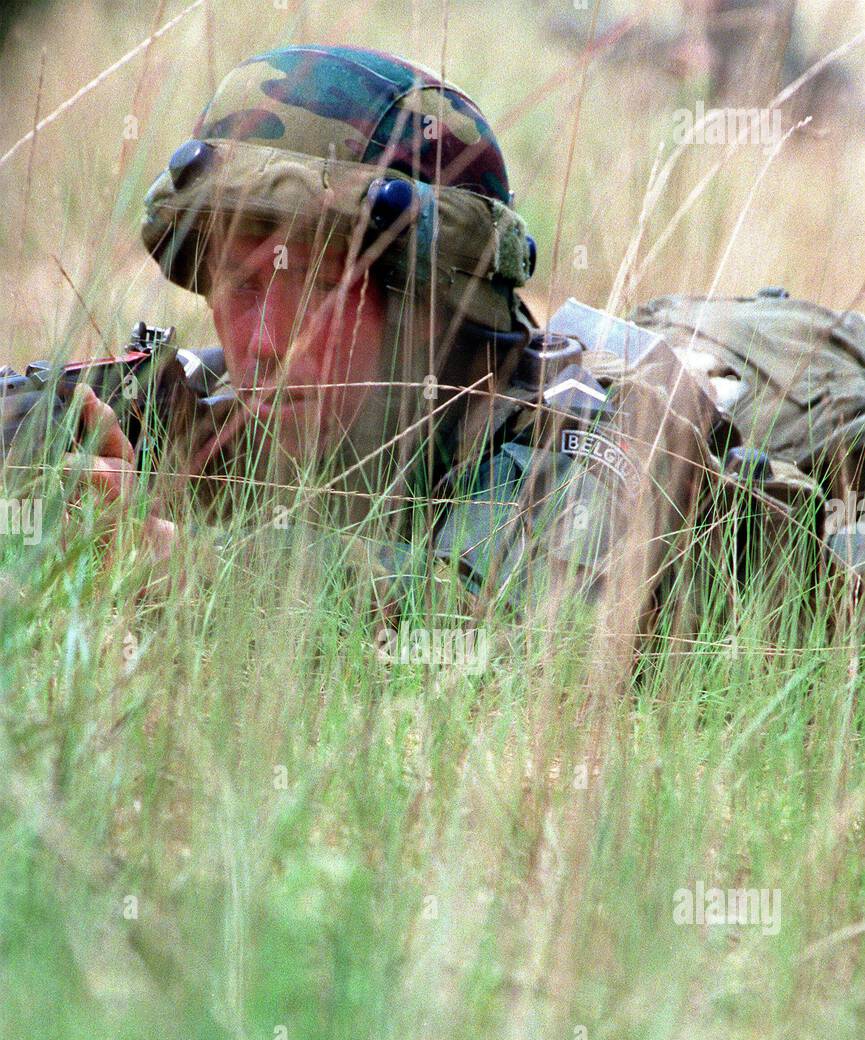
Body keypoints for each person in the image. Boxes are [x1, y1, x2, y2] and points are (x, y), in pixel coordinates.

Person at [59, 44, 865, 650]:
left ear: (432, 302)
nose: (261, 343)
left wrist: (184, 569)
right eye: (238, 285)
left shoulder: (602, 434)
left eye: (311, 287)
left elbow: (520, 638)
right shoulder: (204, 407)